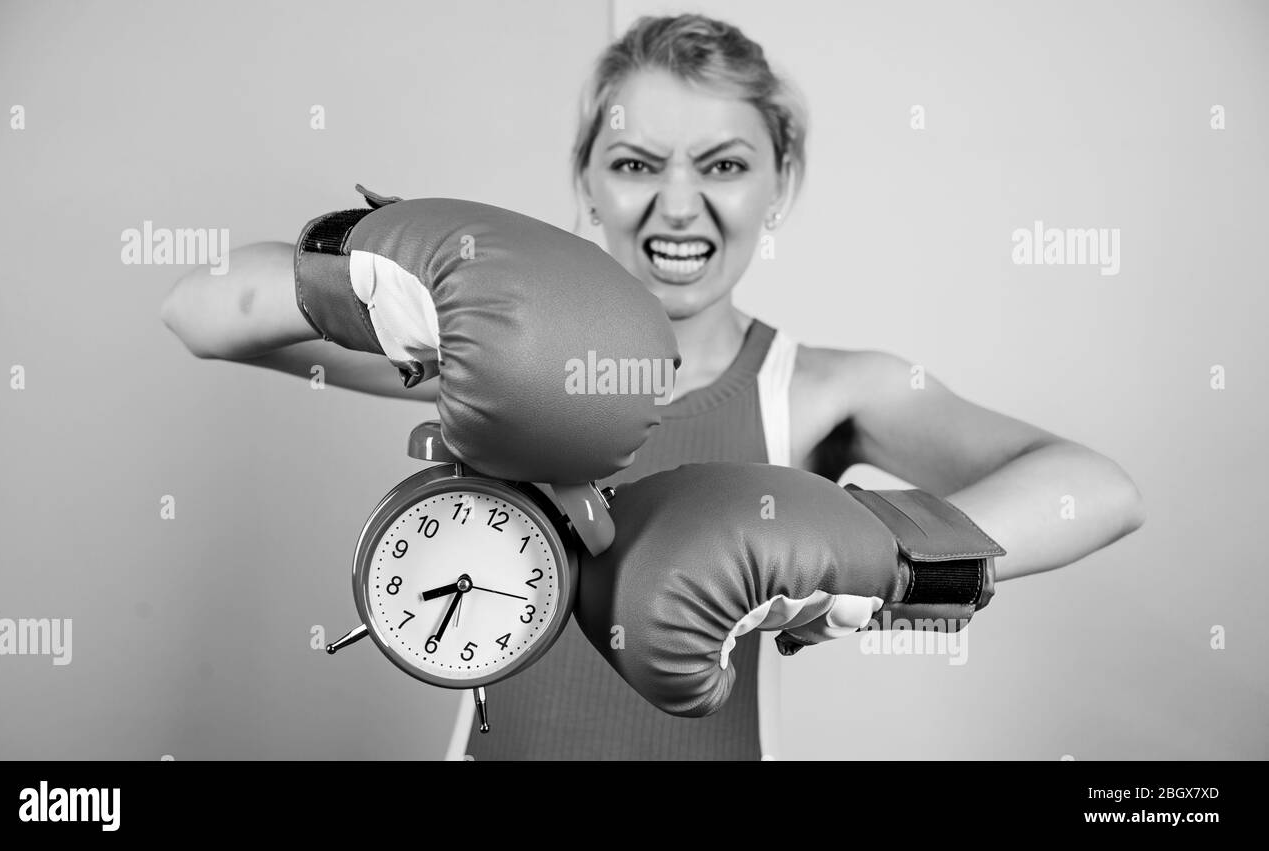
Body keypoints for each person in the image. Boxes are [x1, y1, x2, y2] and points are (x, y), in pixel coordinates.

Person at [161, 13, 1145, 761]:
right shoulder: (485, 358)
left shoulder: (822, 389)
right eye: (635, 162)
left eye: (723, 164)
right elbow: (203, 309)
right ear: (584, 181)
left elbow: (1097, 487)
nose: (678, 204)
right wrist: (383, 250)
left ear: (778, 185)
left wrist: (877, 562)